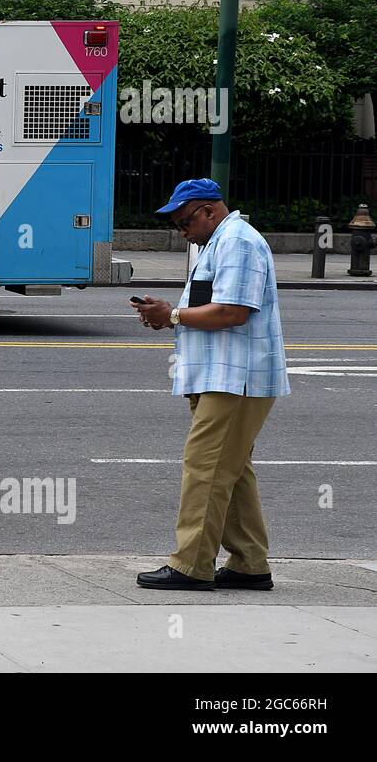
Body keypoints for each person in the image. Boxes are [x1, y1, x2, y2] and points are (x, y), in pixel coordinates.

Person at [132, 178, 289, 591]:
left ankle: (191, 565)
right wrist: (170, 313)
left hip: (236, 378)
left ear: (209, 211)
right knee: (231, 471)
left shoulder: (236, 241)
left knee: (205, 467)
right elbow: (213, 306)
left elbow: (233, 312)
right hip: (224, 376)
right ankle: (249, 563)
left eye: (184, 222)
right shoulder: (218, 243)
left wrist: (174, 315)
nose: (181, 232)